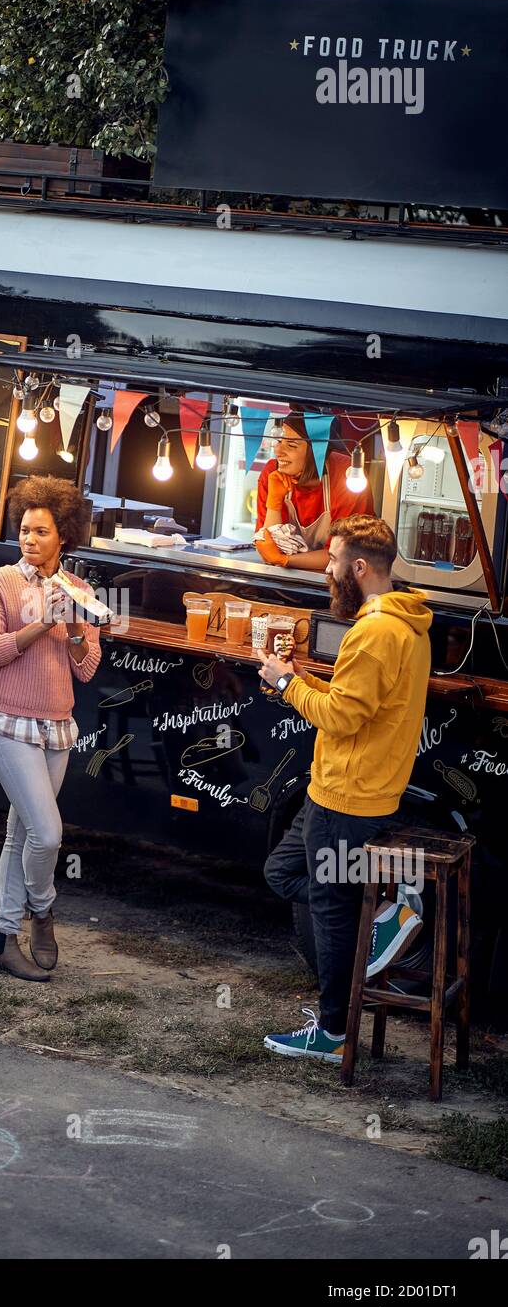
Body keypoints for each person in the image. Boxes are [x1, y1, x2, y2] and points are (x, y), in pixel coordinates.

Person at [257, 514, 431, 1063]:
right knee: (282, 871)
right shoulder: (406, 620)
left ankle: (333, 1032)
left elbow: (341, 720)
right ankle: (382, 914)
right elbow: (357, 703)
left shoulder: (376, 630)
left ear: (358, 567)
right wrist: (303, 679)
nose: (326, 570)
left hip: (347, 798)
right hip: (342, 790)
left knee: (331, 910)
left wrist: (284, 683)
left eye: (332, 561)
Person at [0, 476, 102, 981]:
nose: (29, 539)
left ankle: (2, 937)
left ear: (62, 537)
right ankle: (43, 909)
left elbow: (86, 669)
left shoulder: (82, 592)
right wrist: (42, 623)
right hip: (6, 721)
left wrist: (71, 631)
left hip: (56, 728)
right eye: (24, 529)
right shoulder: (1, 582)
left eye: (40, 531)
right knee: (47, 834)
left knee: (21, 832)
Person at [254, 410, 373, 571]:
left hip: (338, 582)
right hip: (283, 579)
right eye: (280, 441)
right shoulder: (272, 473)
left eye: (291, 445)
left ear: (316, 453)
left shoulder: (348, 477)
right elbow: (267, 546)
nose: (278, 452)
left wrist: (284, 560)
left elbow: (342, 555)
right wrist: (274, 501)